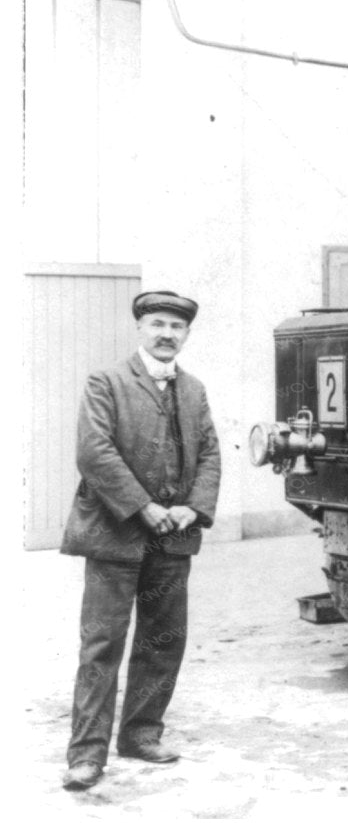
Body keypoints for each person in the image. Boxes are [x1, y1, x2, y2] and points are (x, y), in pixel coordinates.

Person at [61, 291, 222, 791]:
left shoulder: (193, 390)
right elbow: (94, 452)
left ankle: (142, 735)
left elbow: (211, 454)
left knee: (162, 640)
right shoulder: (106, 382)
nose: (167, 334)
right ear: (139, 328)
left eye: (177, 327)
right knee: (102, 644)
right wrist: (143, 506)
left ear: (186, 335)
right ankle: (86, 756)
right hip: (116, 535)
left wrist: (192, 507)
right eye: (157, 324)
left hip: (173, 538)